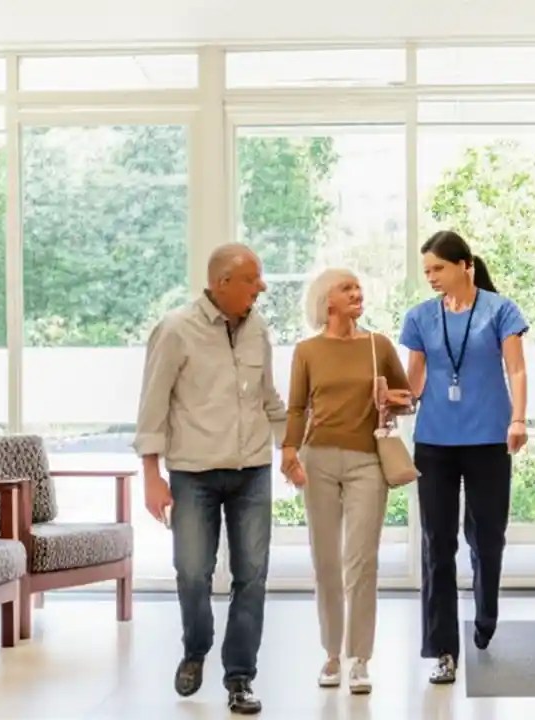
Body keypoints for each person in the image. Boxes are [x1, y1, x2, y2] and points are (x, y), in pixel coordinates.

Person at [133, 243, 287, 715]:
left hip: (252, 471)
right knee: (193, 573)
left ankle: (239, 677)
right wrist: (151, 477)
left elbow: (269, 399)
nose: (261, 287)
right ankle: (195, 649)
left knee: (252, 576)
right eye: (252, 279)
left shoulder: (258, 329)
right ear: (222, 283)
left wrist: (293, 447)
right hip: (193, 473)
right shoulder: (176, 330)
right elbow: (153, 405)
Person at [399, 230, 529, 684]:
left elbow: (516, 367)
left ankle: (486, 615)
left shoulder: (500, 310)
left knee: (486, 536)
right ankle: (442, 650)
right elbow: (414, 379)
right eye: (427, 271)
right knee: (438, 544)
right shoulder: (419, 318)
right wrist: (392, 401)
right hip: (434, 441)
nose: (431, 277)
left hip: (489, 438)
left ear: (464, 266)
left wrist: (518, 419)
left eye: (438, 268)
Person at [281, 268, 414, 695]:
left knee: (361, 561)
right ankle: (331, 655)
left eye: (359, 287)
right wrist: (288, 451)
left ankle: (360, 659)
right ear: (327, 301)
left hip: (366, 462)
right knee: (325, 562)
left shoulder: (378, 345)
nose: (357, 293)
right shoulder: (307, 350)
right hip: (317, 458)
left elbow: (408, 397)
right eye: (347, 288)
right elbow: (298, 407)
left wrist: (393, 401)